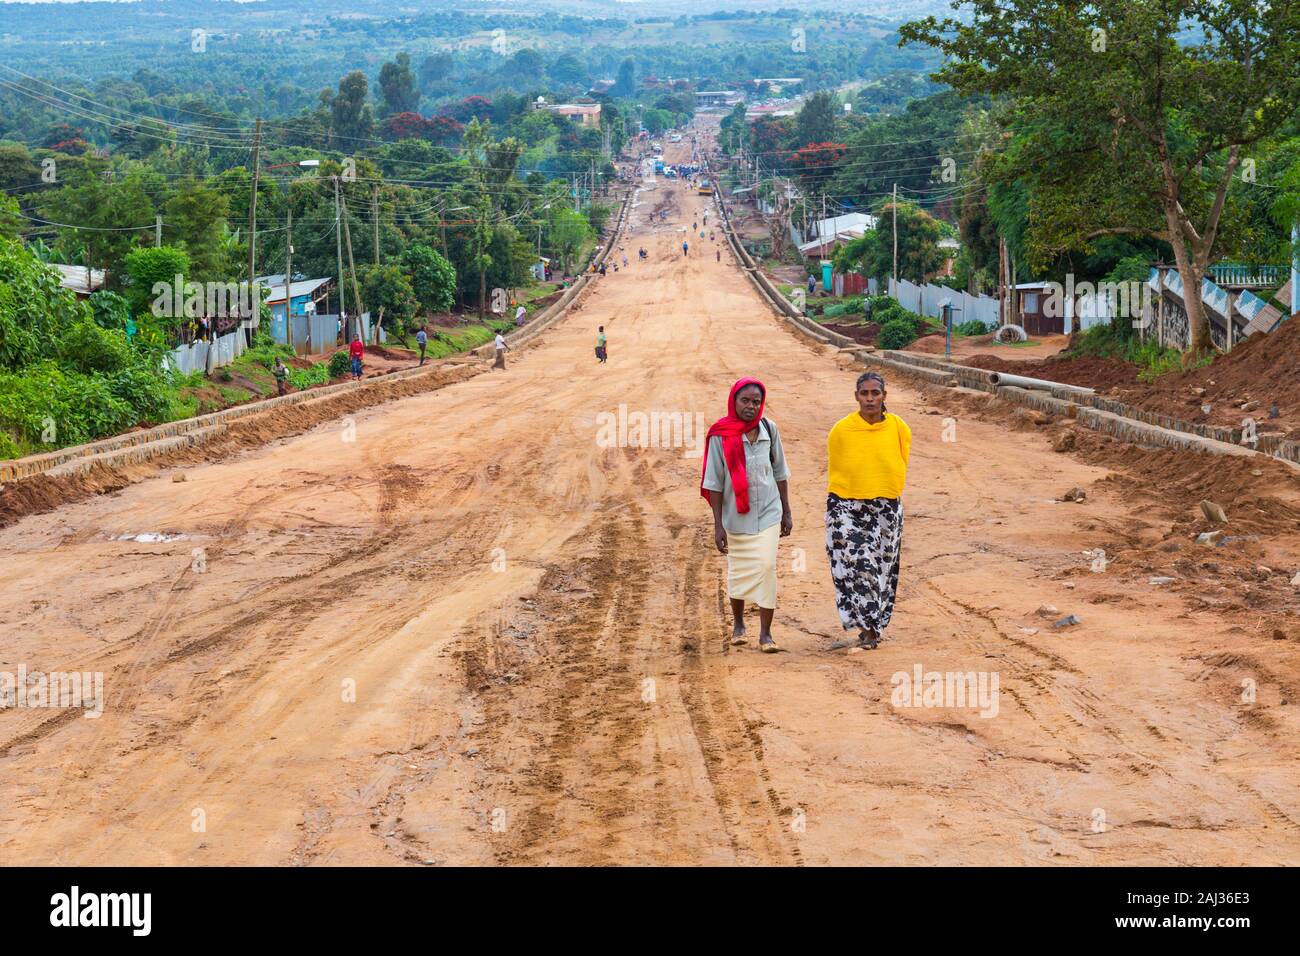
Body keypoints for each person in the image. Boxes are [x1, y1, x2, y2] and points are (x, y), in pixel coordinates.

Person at [701, 379, 793, 653]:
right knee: (739, 571)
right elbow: (714, 483)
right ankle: (739, 624)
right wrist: (718, 525)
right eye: (745, 401)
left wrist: (786, 511)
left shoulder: (769, 429)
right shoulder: (720, 435)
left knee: (766, 566)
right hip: (735, 515)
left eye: (756, 402)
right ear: (734, 401)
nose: (751, 406)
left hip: (769, 512)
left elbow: (780, 472)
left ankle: (766, 634)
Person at [825, 371, 912, 651]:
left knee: (882, 567)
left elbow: (900, 462)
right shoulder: (841, 430)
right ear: (856, 396)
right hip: (847, 506)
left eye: (876, 393)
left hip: (886, 507)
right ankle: (870, 630)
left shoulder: (899, 427)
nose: (870, 398)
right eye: (865, 393)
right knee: (858, 563)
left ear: (884, 396)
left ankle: (870, 625)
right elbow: (838, 468)